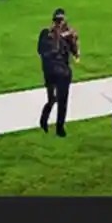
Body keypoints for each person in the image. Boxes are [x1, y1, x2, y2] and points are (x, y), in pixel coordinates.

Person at [37, 8, 80, 137]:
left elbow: (76, 54)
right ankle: (44, 118)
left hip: (63, 72)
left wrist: (74, 41)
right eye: (58, 21)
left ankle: (60, 127)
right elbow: (42, 51)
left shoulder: (68, 35)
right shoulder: (46, 33)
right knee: (52, 98)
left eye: (61, 21)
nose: (59, 24)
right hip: (50, 70)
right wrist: (60, 37)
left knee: (63, 100)